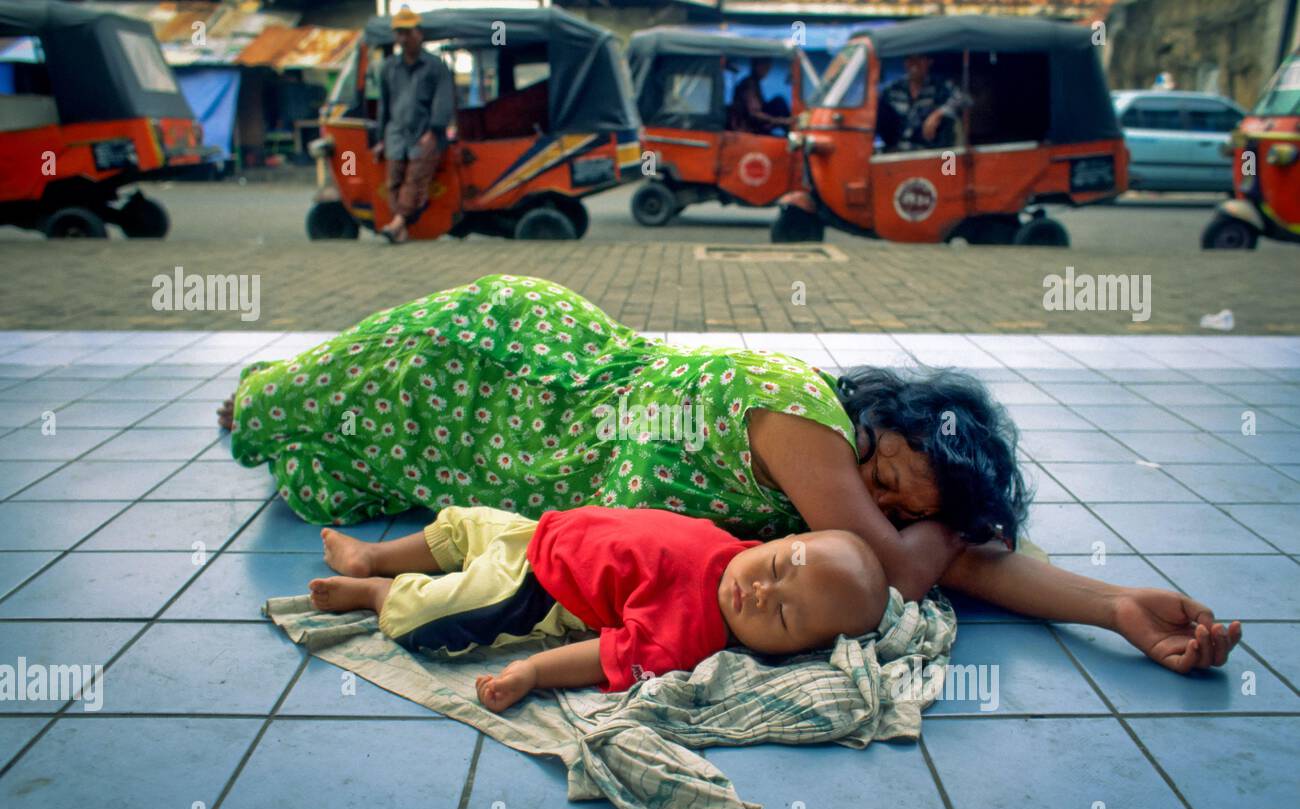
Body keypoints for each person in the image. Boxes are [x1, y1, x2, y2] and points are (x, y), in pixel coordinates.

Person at [217, 273, 1242, 677]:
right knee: (293, 401)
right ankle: (252, 395)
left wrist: (1115, 607)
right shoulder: (798, 408)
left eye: (899, 510)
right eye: (889, 479)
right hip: (514, 365)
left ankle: (264, 404)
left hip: (503, 452)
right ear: (881, 421)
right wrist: (926, 540)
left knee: (336, 459)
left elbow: (941, 558)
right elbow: (903, 568)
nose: (877, 512)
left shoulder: (843, 502)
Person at [306, 505, 888, 712]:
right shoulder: (735, 548)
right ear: (780, 541)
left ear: (790, 654)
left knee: (435, 617)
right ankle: (375, 556)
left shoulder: (687, 636)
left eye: (782, 616)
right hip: (543, 529)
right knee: (463, 524)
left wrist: (532, 672)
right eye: (780, 567)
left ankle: (385, 594)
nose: (762, 592)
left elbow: (604, 654)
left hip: (536, 592)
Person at [371, 6, 455, 244]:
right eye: (399, 33)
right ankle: (402, 227)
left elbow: (443, 102)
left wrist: (434, 132)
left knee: (415, 181)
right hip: (396, 133)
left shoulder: (435, 66)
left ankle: (397, 223)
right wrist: (380, 139)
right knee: (393, 182)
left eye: (407, 32)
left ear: (419, 34)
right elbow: (384, 106)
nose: (403, 38)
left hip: (425, 134)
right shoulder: (389, 68)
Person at [877, 54, 970, 151]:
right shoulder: (892, 89)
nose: (914, 63)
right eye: (910, 59)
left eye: (919, 58)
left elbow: (965, 100)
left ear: (929, 62)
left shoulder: (940, 86)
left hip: (928, 153)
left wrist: (938, 114)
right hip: (895, 152)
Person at [726, 58, 793, 135]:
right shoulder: (748, 85)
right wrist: (779, 120)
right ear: (757, 66)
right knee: (779, 102)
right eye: (765, 66)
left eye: (768, 67)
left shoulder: (754, 83)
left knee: (778, 101)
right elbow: (754, 113)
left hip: (756, 125)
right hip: (748, 129)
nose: (767, 70)